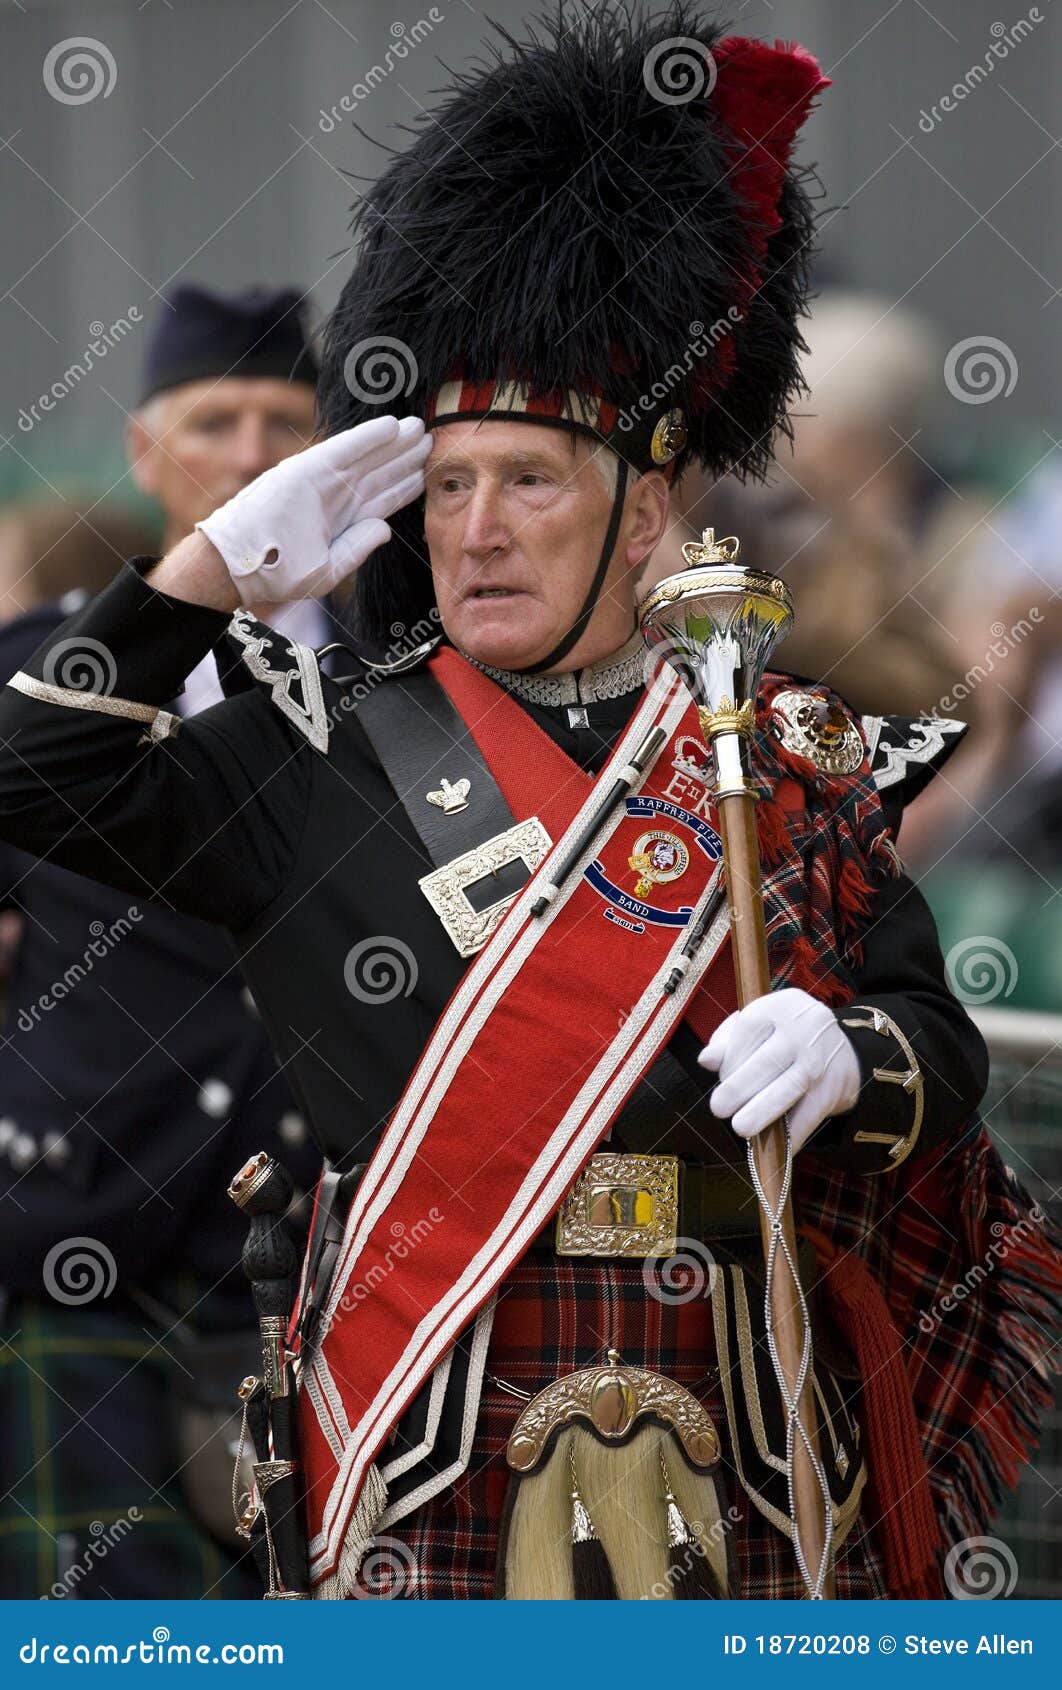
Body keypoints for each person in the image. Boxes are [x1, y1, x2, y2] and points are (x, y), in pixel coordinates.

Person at [0, 6, 1057, 1602]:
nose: (475, 528)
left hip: (736, 1415)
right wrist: (203, 574)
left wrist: (854, 1055)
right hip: (425, 1406)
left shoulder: (773, 746)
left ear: (644, 508)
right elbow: (33, 772)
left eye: (530, 481)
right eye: (446, 484)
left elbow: (939, 1043)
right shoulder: (314, 752)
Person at [0, 284, 323, 1599]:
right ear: (144, 452)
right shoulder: (31, 675)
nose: (250, 454)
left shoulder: (404, 685)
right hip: (81, 1237)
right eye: (213, 422)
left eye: (285, 423)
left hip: (330, 1246)